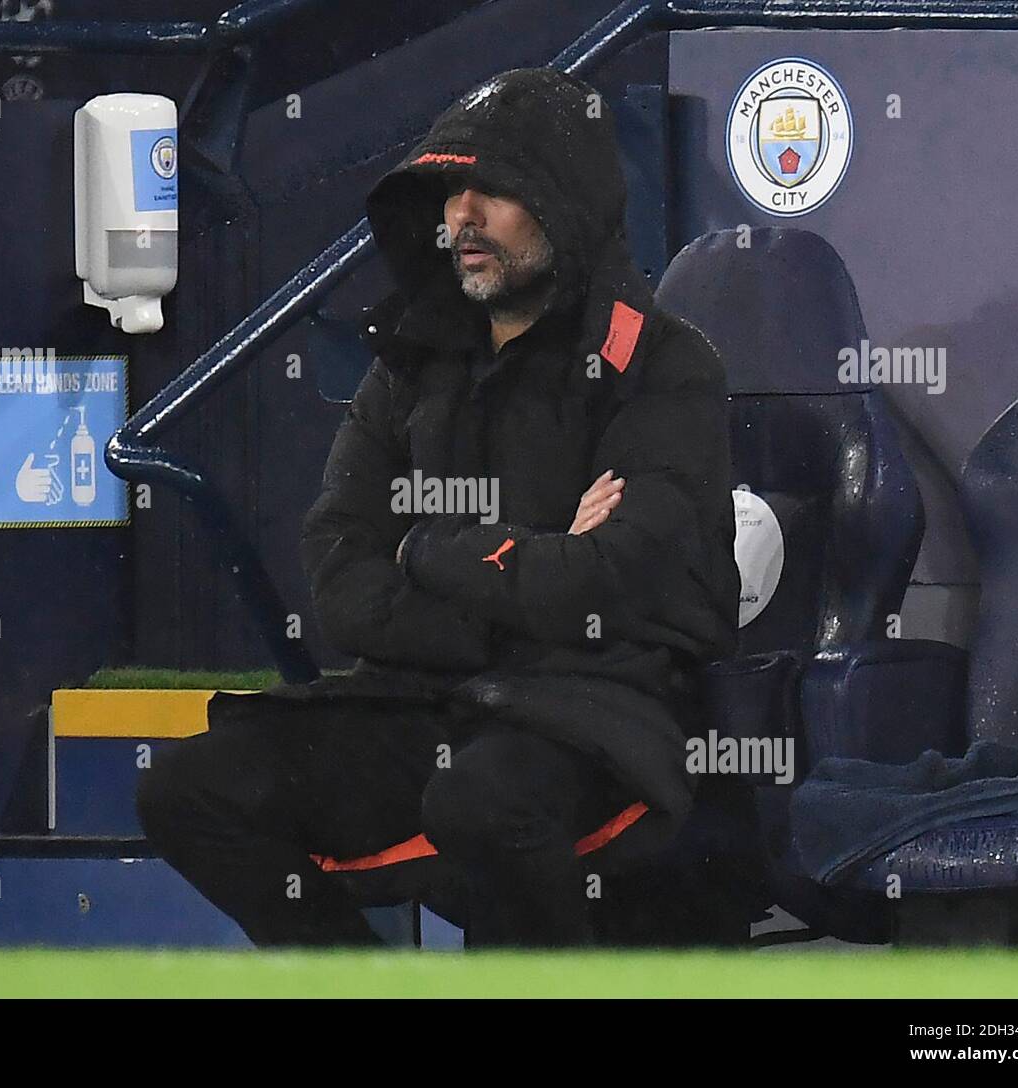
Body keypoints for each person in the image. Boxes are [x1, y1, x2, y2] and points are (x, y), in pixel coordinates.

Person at [137, 67, 740, 948]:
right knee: (187, 789)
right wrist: (510, 579)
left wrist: (424, 553)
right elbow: (338, 569)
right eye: (452, 191)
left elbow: (603, 583)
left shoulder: (664, 367)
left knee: (484, 803)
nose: (462, 217)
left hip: (600, 709)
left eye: (493, 190)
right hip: (423, 699)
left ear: (565, 206)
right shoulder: (409, 365)